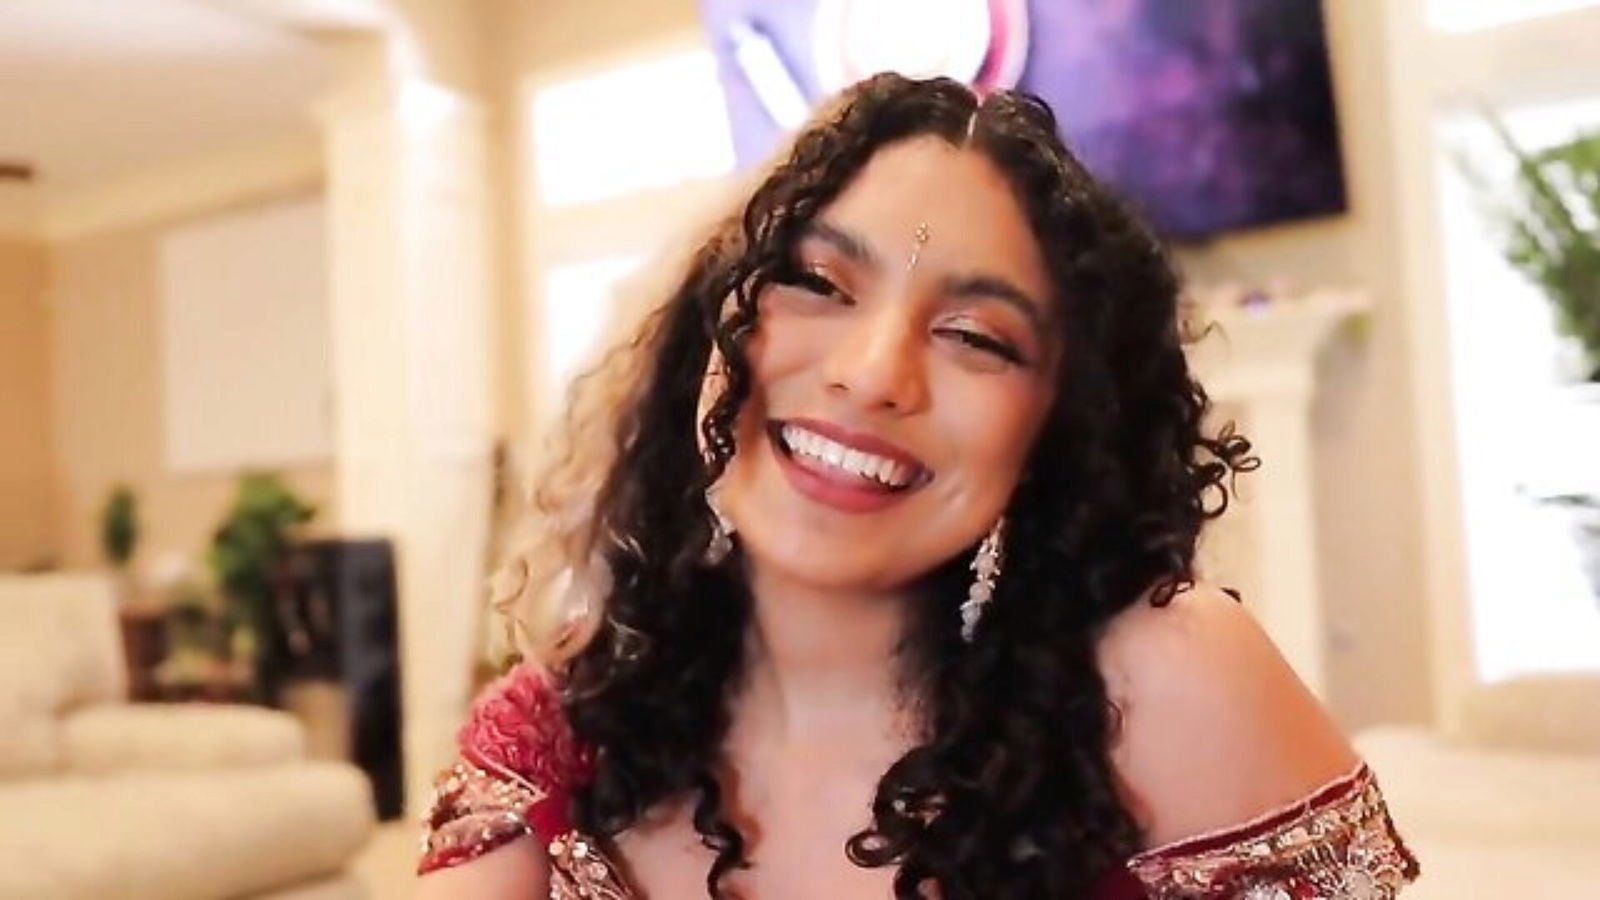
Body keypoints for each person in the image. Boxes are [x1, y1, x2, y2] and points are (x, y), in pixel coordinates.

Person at [417, 73, 1418, 899]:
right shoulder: (559, 725)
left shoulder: (1165, 679)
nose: (872, 374)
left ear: (1053, 431)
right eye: (815, 283)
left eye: (978, 337)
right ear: (705, 339)